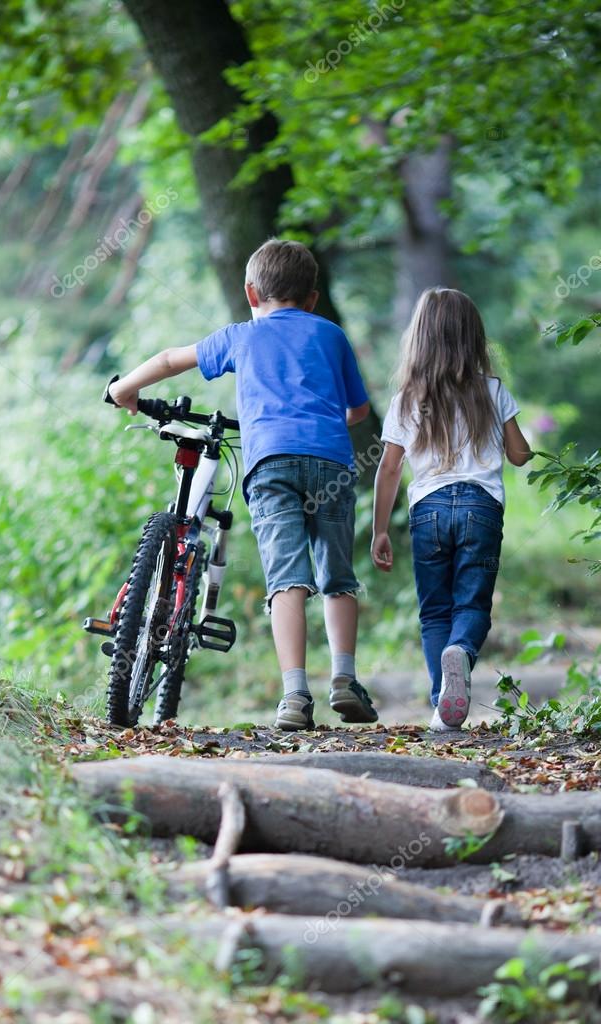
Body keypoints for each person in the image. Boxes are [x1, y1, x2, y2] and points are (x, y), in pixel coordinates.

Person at [108, 238, 378, 731]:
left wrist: (124, 389)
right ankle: (344, 679)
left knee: (286, 580)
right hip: (332, 462)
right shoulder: (332, 335)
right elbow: (358, 410)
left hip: (271, 463)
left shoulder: (242, 336)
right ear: (314, 298)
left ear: (251, 293)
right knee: (337, 576)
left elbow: (171, 358)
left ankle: (295, 694)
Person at [370, 287, 532, 731]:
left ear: (418, 339)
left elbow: (388, 469)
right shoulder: (492, 391)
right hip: (481, 508)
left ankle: (443, 699)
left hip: (428, 512)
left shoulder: (406, 399)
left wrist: (379, 531)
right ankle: (460, 652)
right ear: (473, 338)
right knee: (472, 606)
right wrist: (513, 436)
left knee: (434, 611)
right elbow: (520, 455)